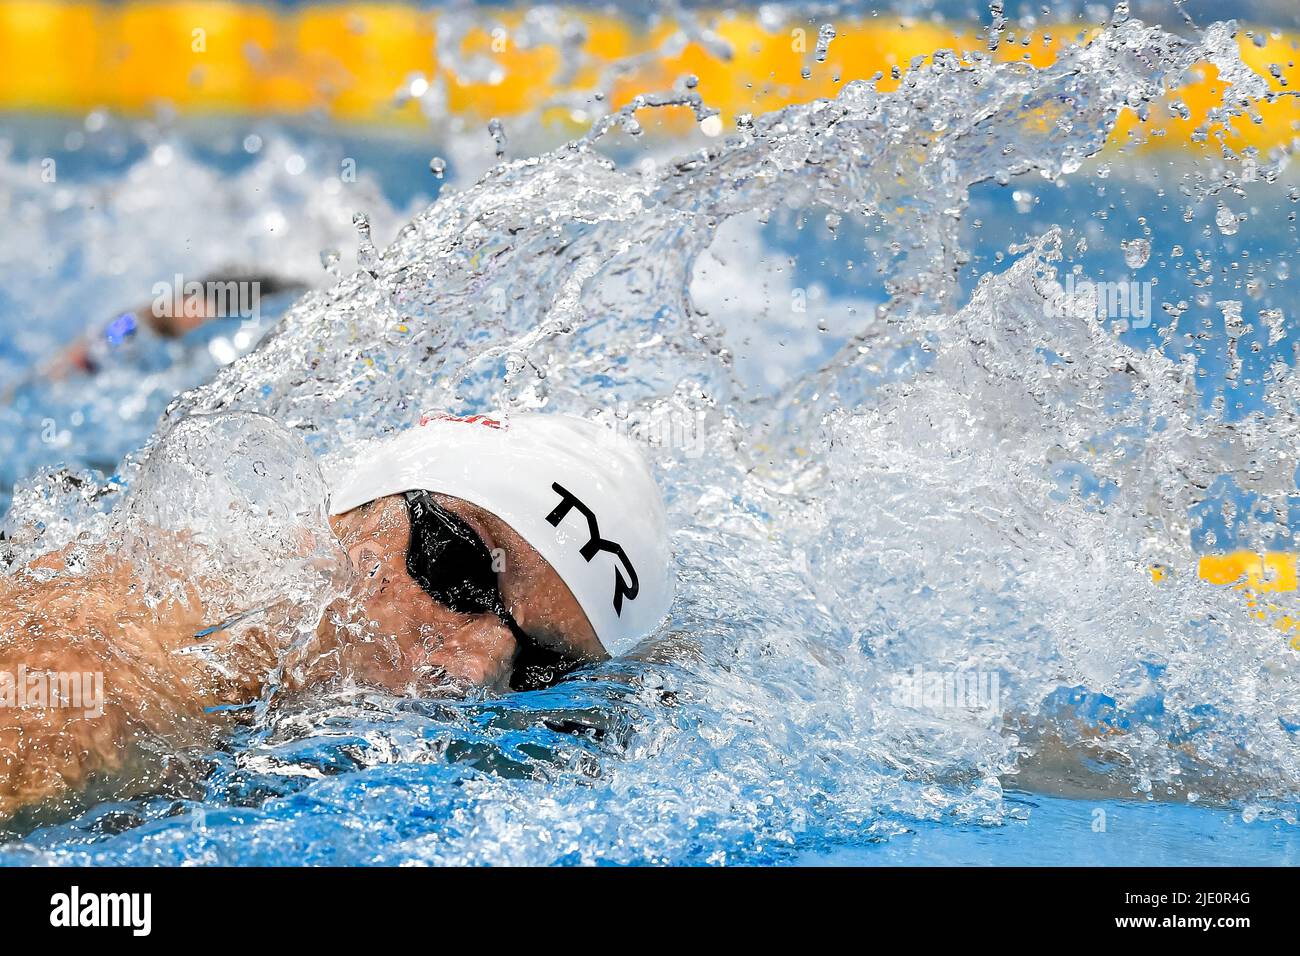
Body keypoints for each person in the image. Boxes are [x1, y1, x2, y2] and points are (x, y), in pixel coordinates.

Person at [0, 412, 673, 821]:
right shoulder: (132, 674)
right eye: (460, 569)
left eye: (542, 665)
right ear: (355, 516)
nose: (474, 669)